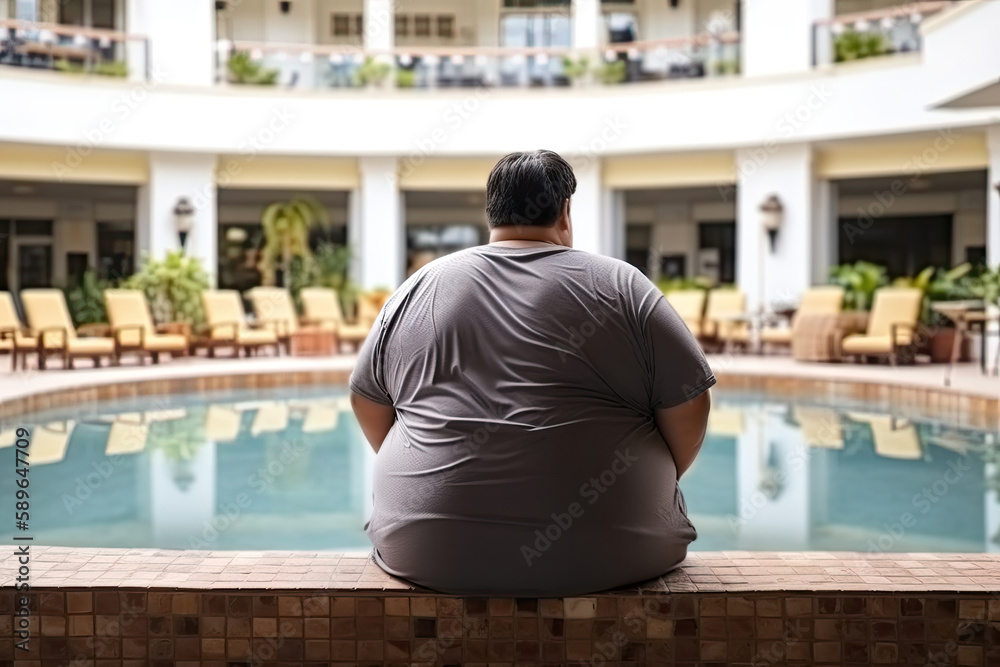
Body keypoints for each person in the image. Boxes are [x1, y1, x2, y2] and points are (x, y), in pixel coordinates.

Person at [350, 149, 714, 596]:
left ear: (491, 212)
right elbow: (691, 401)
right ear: (565, 211)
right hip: (618, 553)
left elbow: (366, 399)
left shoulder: (420, 287)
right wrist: (654, 474)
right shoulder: (624, 286)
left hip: (425, 552)